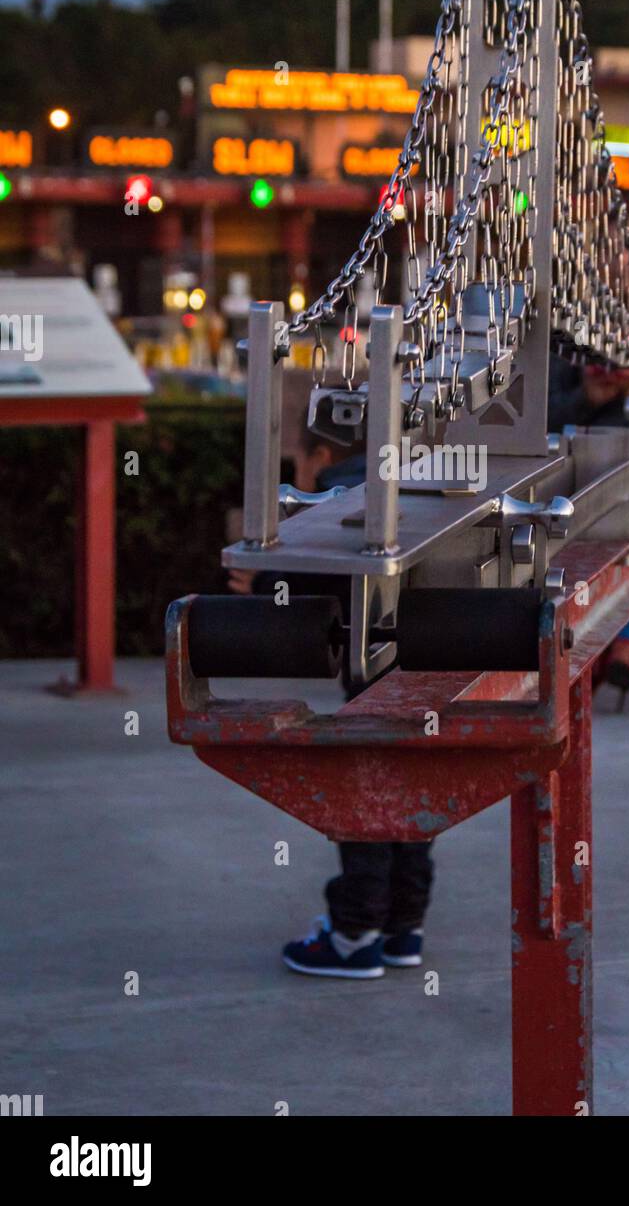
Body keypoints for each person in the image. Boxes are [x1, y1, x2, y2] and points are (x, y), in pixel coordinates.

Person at [230, 413, 433, 979]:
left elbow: (322, 575)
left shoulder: (336, 493)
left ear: (320, 455)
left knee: (366, 794)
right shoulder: (417, 479)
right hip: (431, 663)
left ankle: (354, 935)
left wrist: (262, 581)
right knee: (413, 789)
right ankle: (403, 927)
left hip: (376, 671)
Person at [547, 212, 629, 700]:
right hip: (581, 465)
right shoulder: (570, 322)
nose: (624, 261)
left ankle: (622, 645)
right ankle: (607, 646)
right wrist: (591, 397)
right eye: (615, 249)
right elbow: (546, 411)